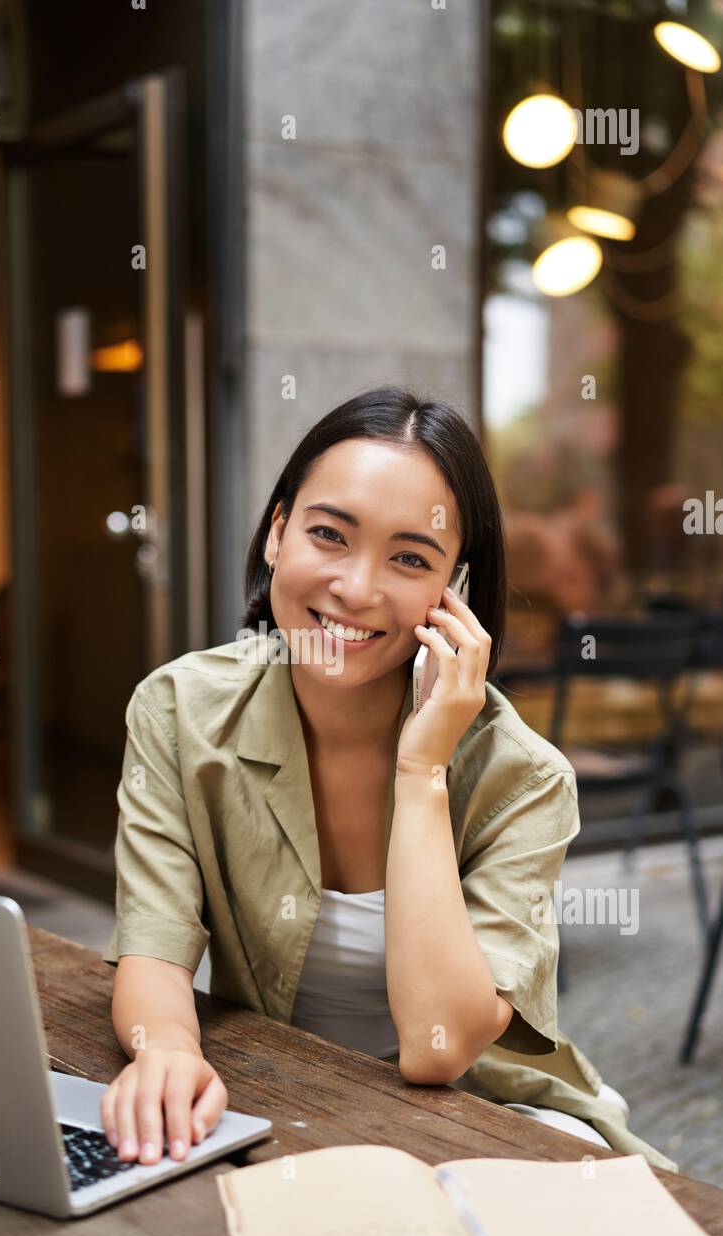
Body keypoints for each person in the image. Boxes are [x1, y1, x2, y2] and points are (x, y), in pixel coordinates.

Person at [99, 385, 678, 1175]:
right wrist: (164, 1050)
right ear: (276, 535)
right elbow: (156, 948)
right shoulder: (180, 710)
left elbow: (438, 1051)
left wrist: (421, 769)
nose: (358, 588)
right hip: (279, 1087)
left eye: (410, 557)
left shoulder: (525, 780)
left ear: (456, 591)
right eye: (329, 535)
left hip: (483, 1117)